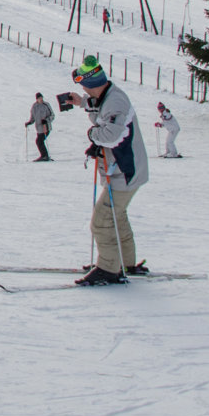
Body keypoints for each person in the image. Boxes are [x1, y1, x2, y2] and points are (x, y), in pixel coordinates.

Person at [70, 55, 149, 286]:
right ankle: (124, 261)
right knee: (116, 216)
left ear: (90, 83)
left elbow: (111, 135)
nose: (82, 89)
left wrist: (92, 135)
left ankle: (109, 268)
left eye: (83, 85)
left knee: (101, 221)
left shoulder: (115, 102)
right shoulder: (107, 96)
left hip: (125, 172)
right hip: (123, 170)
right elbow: (101, 109)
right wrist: (82, 103)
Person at [25, 92, 53, 161]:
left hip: (46, 127)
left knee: (39, 141)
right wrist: (29, 122)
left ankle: (44, 156)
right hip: (39, 128)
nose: (41, 99)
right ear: (36, 99)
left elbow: (52, 115)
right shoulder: (34, 106)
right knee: (39, 141)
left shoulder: (46, 105)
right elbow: (33, 117)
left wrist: (46, 120)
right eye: (39, 98)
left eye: (41, 98)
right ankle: (44, 156)